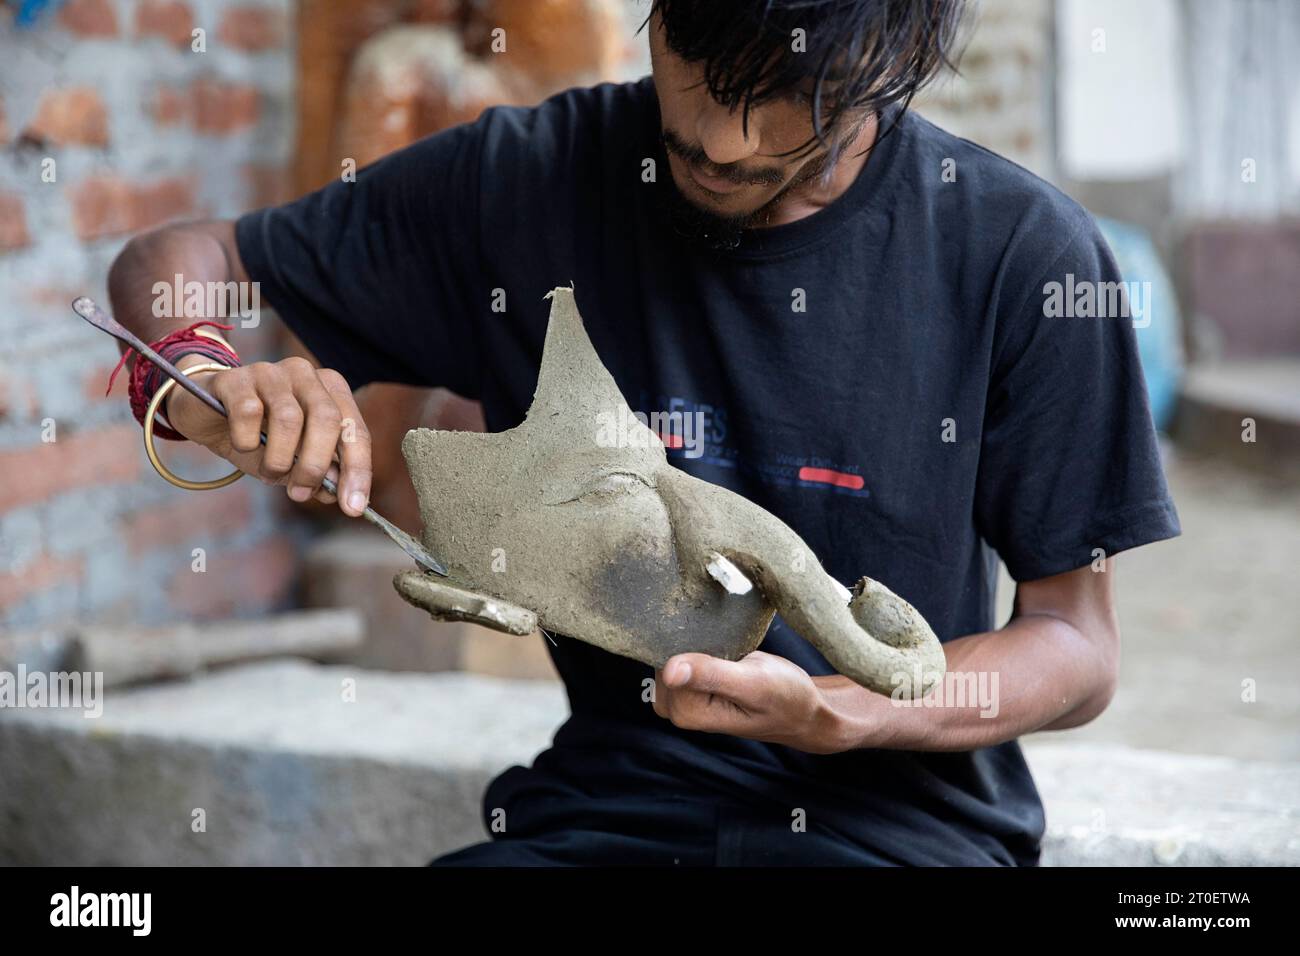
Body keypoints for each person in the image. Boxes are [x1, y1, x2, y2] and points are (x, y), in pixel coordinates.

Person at [107, 0, 1181, 865]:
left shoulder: (1022, 255)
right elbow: (174, 261)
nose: (716, 136)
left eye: (777, 96)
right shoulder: (526, 181)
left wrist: (848, 712)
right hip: (596, 818)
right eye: (695, 60)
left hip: (899, 834)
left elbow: (1076, 649)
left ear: (889, 59)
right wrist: (207, 379)